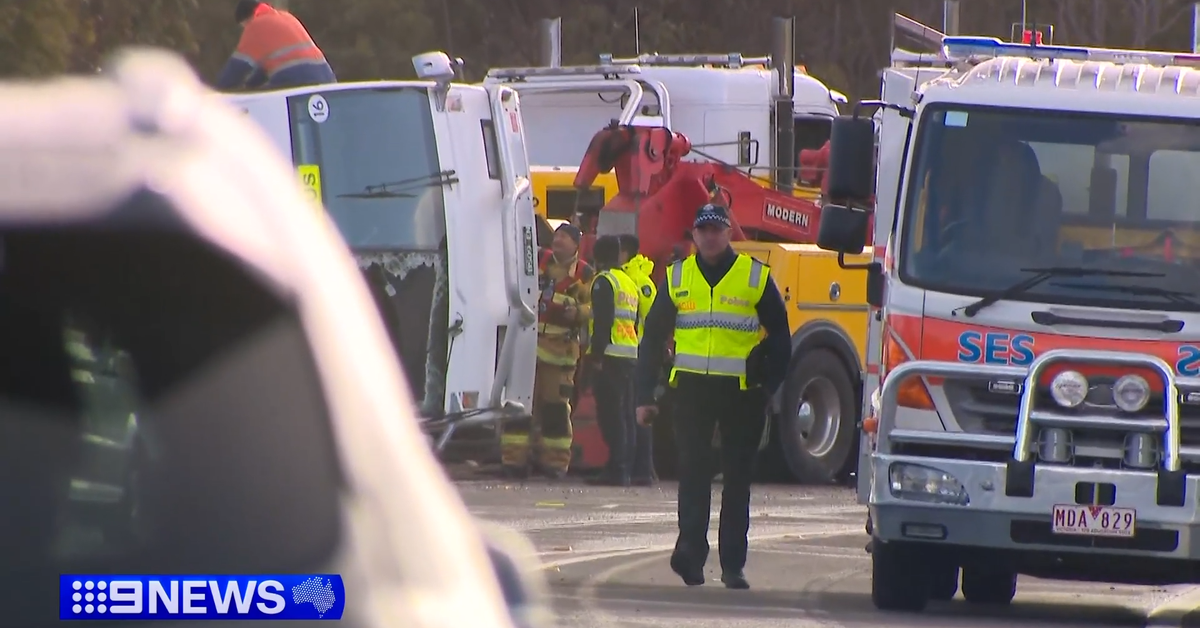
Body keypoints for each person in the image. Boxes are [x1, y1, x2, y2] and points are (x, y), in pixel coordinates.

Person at [634, 204, 790, 590]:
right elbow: (652, 340)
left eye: (716, 229)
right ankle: (690, 554)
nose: (709, 236)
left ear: (727, 233)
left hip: (741, 395)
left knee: (737, 481)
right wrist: (644, 395)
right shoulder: (677, 276)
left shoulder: (753, 276)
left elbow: (782, 338)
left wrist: (768, 386)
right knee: (692, 474)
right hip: (690, 390)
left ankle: (733, 565)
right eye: (702, 230)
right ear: (694, 234)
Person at [501, 224, 593, 479]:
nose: (558, 241)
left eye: (564, 237)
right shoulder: (537, 260)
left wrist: (578, 313)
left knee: (555, 409)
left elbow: (593, 307)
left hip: (560, 352)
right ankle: (514, 461)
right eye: (556, 236)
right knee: (519, 406)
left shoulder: (585, 273)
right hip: (527, 348)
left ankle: (555, 464)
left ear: (576, 244)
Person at [585, 235, 641, 487]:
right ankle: (624, 467)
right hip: (629, 354)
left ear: (597, 256)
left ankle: (617, 469)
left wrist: (596, 355)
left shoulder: (604, 281)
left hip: (609, 355)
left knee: (610, 415)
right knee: (625, 414)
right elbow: (635, 320)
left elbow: (603, 321)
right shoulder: (629, 282)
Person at [217, 1, 336, 91]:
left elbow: (237, 67)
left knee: (259, 103)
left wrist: (218, 92)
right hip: (326, 77)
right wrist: (250, 85)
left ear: (247, 19)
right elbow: (264, 70)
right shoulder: (287, 17)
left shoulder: (255, 25)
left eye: (244, 26)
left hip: (296, 79)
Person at [617, 234, 658, 486]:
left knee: (638, 412)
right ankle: (636, 468)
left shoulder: (642, 282)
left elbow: (652, 320)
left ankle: (643, 469)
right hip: (629, 352)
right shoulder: (624, 277)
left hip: (639, 352)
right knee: (627, 412)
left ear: (627, 252)